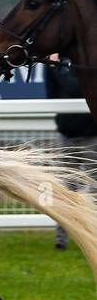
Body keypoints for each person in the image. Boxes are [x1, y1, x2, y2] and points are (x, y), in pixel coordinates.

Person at [45, 57, 97, 250]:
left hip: (93, 137)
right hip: (67, 135)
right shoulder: (58, 64)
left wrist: (55, 67)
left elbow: (76, 88)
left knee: (95, 191)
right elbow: (53, 96)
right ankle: (62, 239)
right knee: (66, 191)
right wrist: (52, 67)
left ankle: (92, 235)